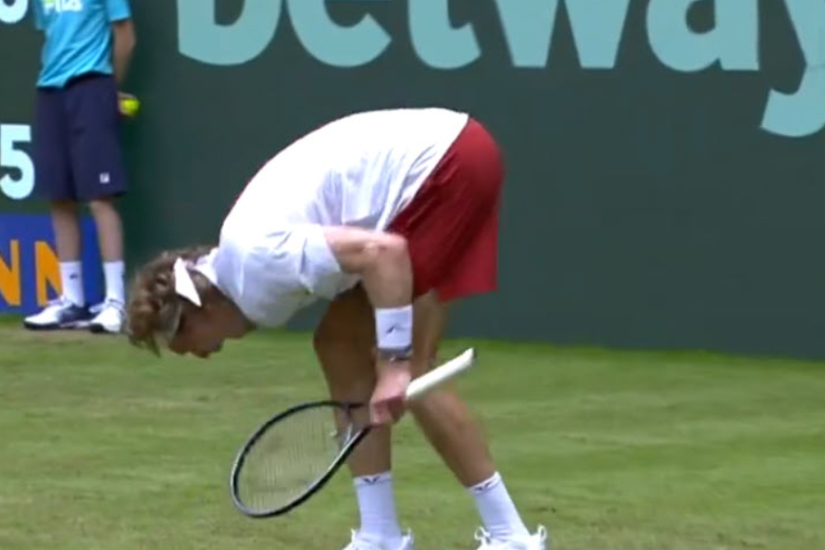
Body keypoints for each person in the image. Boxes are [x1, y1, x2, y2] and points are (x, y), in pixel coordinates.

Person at [125, 108, 548, 550]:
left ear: (197, 310)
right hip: (441, 162)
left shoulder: (257, 264)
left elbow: (383, 254)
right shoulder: (244, 267)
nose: (198, 355)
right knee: (338, 344)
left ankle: (511, 537)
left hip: (445, 166)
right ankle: (380, 535)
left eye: (185, 343)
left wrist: (393, 364)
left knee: (413, 369)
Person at [23, 0, 136, 334]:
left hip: (92, 85)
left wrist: (110, 90)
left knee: (99, 197)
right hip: (50, 90)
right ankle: (71, 300)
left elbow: (125, 35)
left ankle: (115, 302)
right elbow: (51, 33)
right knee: (59, 197)